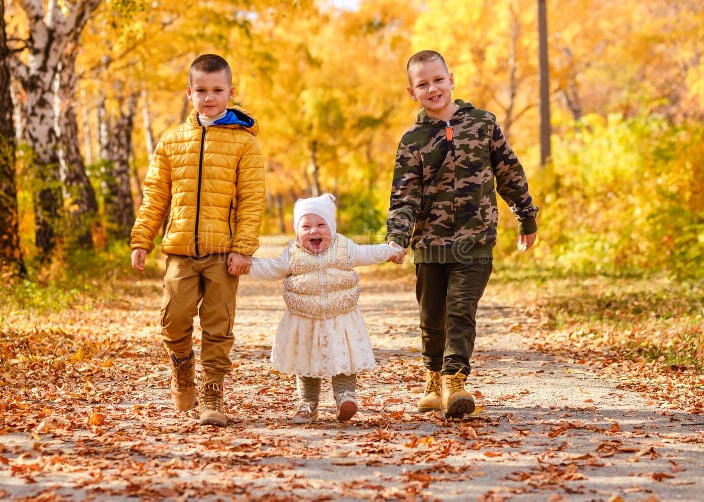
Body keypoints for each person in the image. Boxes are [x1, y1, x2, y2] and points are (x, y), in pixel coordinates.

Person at [385, 50, 538, 419]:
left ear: (451, 79)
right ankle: (433, 377)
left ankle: (455, 380)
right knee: (431, 317)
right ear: (412, 92)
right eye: (423, 84)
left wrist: (526, 215)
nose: (433, 88)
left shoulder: (483, 124)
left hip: (475, 241)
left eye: (438, 80)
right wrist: (398, 238)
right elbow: (404, 197)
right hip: (430, 245)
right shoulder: (413, 141)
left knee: (460, 310)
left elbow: (509, 172)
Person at [130, 53, 266, 427]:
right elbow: (155, 194)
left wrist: (243, 248)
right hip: (180, 250)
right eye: (201, 90)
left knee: (218, 325)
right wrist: (142, 240)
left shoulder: (245, 144)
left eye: (217, 90)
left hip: (223, 252)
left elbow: (252, 200)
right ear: (189, 92)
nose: (209, 98)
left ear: (230, 92)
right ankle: (182, 366)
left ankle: (213, 392)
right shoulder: (172, 141)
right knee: (173, 319)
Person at [234, 193, 403, 424]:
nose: (314, 231)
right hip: (305, 318)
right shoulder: (292, 254)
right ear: (297, 231)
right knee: (306, 361)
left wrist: (390, 251)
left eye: (321, 225)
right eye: (306, 226)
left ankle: (345, 397)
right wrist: (247, 266)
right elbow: (270, 268)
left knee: (342, 355)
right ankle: (307, 404)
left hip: (340, 316)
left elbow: (369, 252)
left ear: (332, 227)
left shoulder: (345, 247)